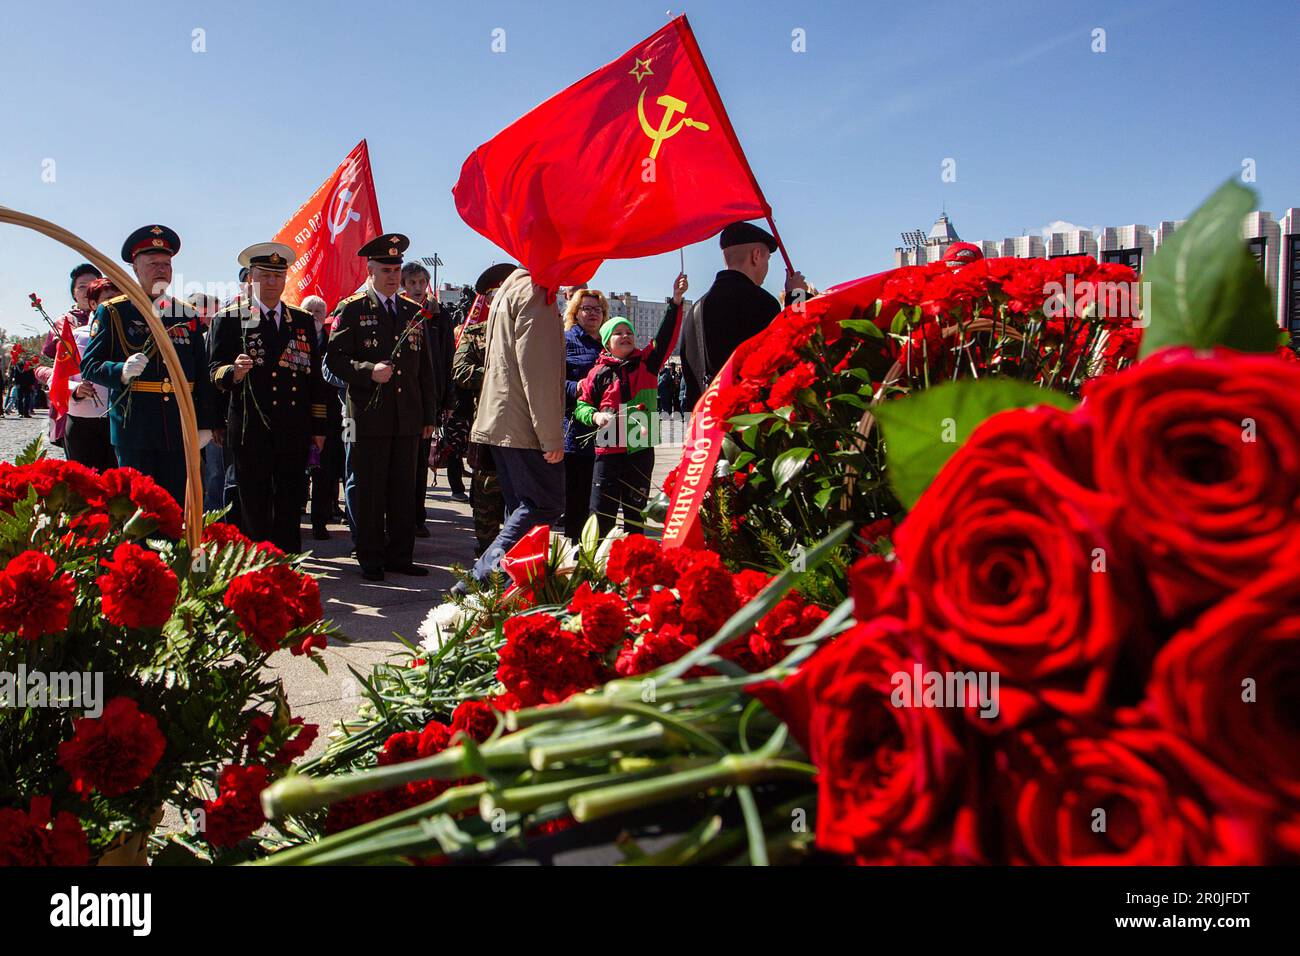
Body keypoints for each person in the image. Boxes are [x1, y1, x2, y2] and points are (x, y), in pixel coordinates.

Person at [325, 233, 437, 581]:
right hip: (368, 418)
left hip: (406, 417)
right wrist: (367, 371)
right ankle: (371, 558)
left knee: (403, 489)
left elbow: (426, 370)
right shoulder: (353, 309)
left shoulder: (412, 312)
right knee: (371, 490)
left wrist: (429, 416)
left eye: (396, 268)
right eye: (386, 269)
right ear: (370, 270)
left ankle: (400, 556)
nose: (392, 275)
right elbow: (335, 360)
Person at [80, 224, 215, 506]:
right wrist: (120, 371)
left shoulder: (185, 314)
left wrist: (205, 423)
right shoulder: (115, 311)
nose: (161, 269)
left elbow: (201, 373)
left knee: (175, 509)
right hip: (135, 429)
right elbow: (90, 364)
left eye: (166, 264)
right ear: (135, 268)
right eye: (152, 263)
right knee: (138, 510)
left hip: (179, 428)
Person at [209, 242, 328, 553]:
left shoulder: (301, 321)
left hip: (293, 426)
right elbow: (213, 370)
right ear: (251, 277)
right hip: (251, 427)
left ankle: (286, 564)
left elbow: (314, 377)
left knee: (290, 501)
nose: (273, 282)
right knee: (253, 501)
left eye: (279, 275)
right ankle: (256, 566)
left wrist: (318, 428)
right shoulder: (230, 318)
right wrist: (232, 373)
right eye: (265, 275)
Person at [458, 266, 565, 592]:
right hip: (522, 425)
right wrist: (550, 435)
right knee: (543, 504)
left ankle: (508, 592)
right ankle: (477, 583)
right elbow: (539, 370)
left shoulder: (511, 288)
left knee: (521, 508)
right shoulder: (536, 290)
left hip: (503, 421)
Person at [575, 273, 687, 536]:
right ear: (606, 342)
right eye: (618, 333)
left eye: (629, 332)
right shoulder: (597, 373)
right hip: (608, 451)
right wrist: (595, 417)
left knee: (636, 517)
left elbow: (667, 335)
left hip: (640, 448)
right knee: (601, 516)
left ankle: (634, 566)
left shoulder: (648, 363)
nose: (626, 336)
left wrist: (677, 301)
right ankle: (597, 566)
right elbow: (581, 407)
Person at [680, 221, 807, 410]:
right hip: (747, 428)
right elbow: (796, 347)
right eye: (767, 259)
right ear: (756, 256)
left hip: (705, 431)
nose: (766, 267)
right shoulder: (761, 303)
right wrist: (798, 297)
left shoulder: (694, 312)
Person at [451, 268, 514, 557]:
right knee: (487, 491)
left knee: (522, 492)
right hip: (488, 423)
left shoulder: (528, 330)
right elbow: (460, 372)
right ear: (487, 300)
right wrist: (499, 373)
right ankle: (487, 552)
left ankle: (517, 551)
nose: (500, 299)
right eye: (494, 295)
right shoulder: (475, 333)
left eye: (505, 294)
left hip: (524, 424)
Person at [399, 261, 454, 536]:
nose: (418, 288)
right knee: (400, 465)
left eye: (422, 282)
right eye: (412, 283)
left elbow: (446, 359)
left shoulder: (439, 316)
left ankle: (416, 517)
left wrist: (447, 401)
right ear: (403, 285)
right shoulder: (397, 313)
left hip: (428, 400)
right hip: (403, 399)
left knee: (421, 463)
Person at [560, 288, 608, 541]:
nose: (592, 313)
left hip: (608, 432)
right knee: (578, 500)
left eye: (597, 309)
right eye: (586, 308)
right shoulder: (566, 340)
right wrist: (574, 387)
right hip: (577, 430)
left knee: (602, 501)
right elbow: (551, 380)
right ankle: (576, 552)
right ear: (575, 312)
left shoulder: (608, 342)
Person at [59, 277, 118, 471]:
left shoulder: (129, 336)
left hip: (118, 423)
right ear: (93, 304)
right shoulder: (76, 336)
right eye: (109, 299)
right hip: (83, 423)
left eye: (119, 299)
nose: (114, 305)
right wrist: (76, 390)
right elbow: (57, 380)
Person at [302, 295, 345, 540]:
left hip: (327, 418)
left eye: (319, 311)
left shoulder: (331, 343)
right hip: (299, 416)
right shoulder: (293, 339)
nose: (314, 315)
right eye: (309, 310)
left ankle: (320, 520)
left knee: (325, 471)